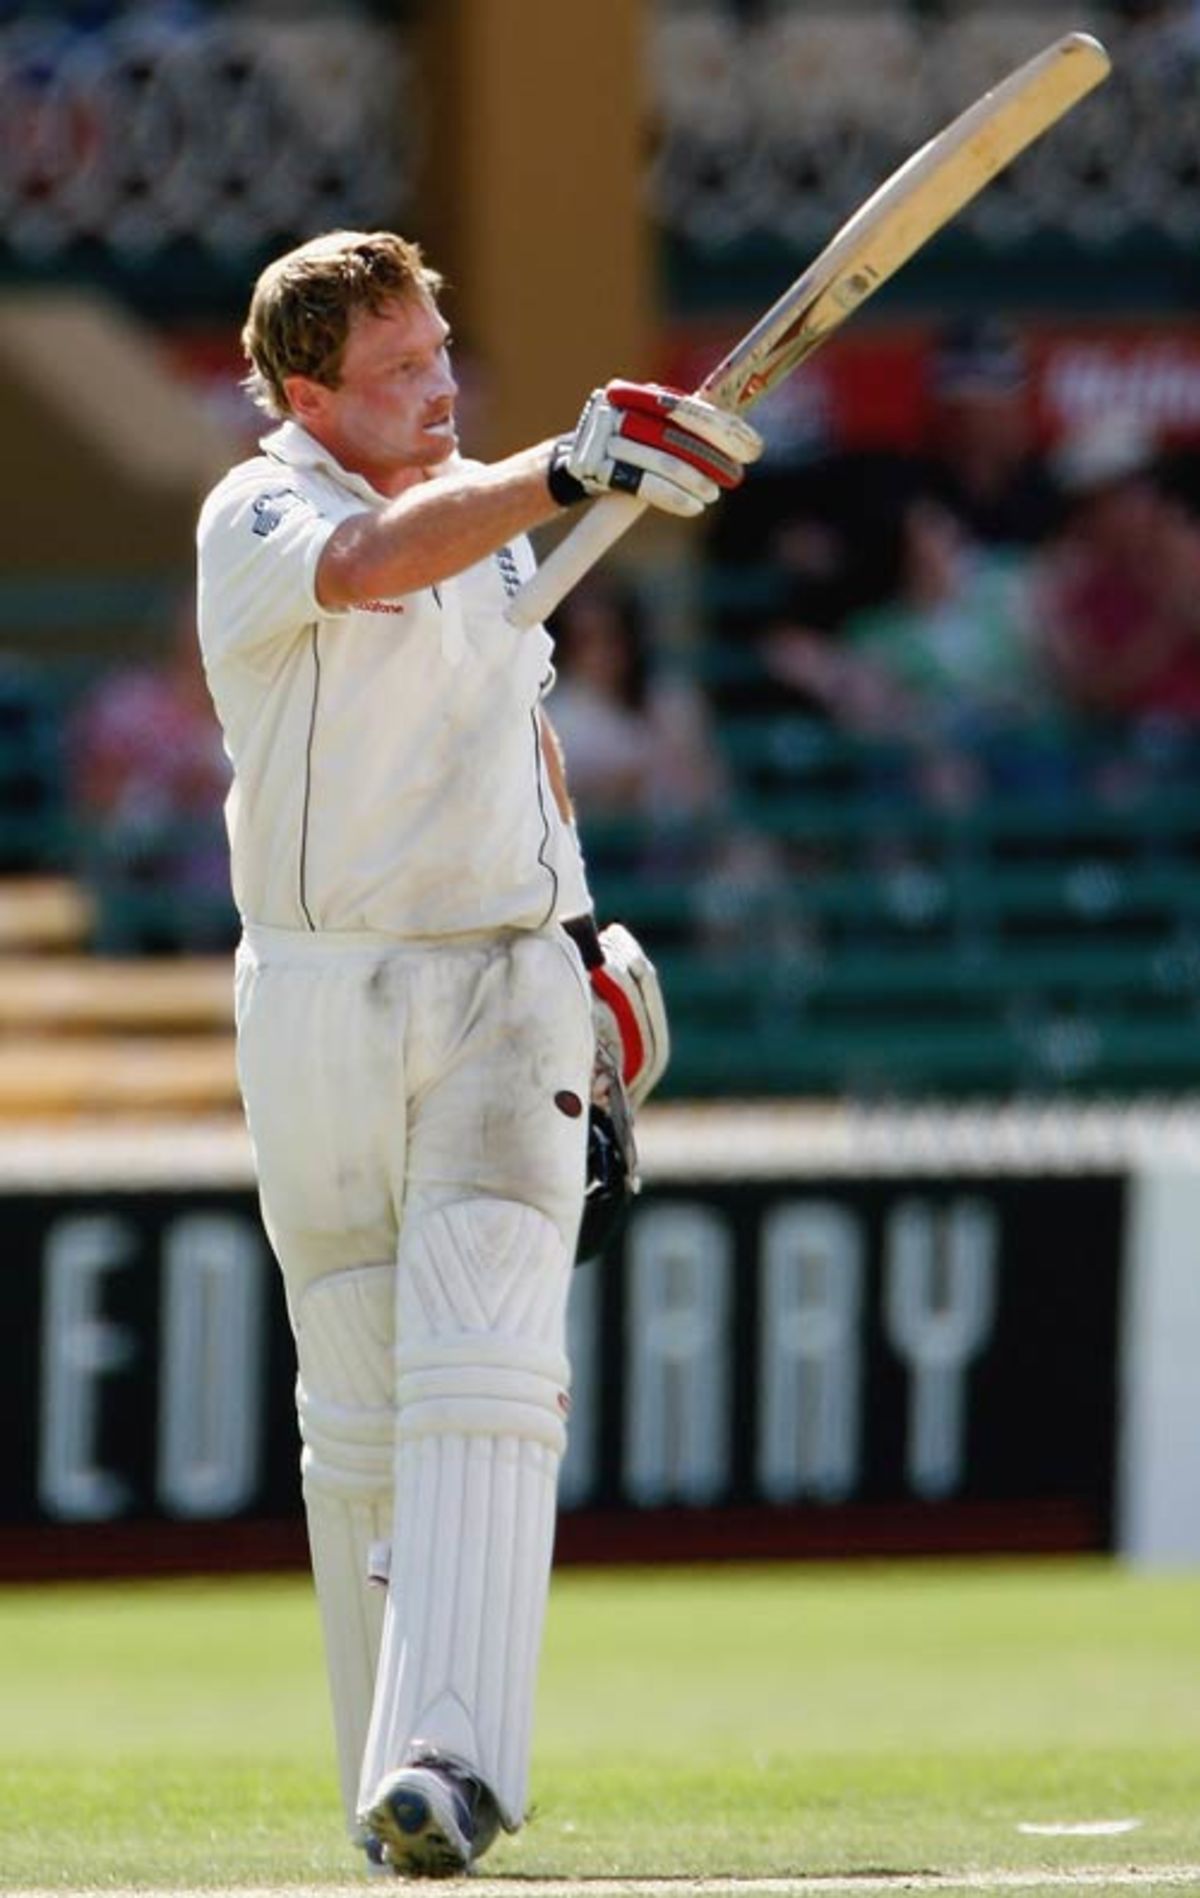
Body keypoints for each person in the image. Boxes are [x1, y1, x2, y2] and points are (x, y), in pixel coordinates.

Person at [195, 228, 760, 1878]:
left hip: (505, 982)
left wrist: (583, 943)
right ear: (309, 392)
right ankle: (401, 1800)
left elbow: (519, 746)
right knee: (363, 1419)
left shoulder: (499, 533)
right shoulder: (262, 511)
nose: (439, 390)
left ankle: (453, 1755)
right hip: (320, 1001)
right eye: (398, 373)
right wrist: (566, 465)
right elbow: (372, 559)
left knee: (490, 1362)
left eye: (443, 356)